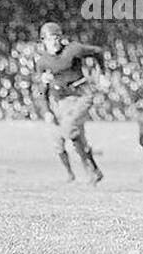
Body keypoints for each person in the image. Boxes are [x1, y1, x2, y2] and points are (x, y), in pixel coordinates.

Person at [34, 21, 104, 183]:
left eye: (56, 38)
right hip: (60, 101)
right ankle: (77, 173)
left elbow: (98, 51)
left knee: (70, 127)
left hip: (80, 95)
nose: (53, 42)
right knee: (60, 140)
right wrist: (46, 111)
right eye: (49, 39)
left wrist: (103, 73)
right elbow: (41, 91)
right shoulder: (43, 62)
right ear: (43, 41)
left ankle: (91, 169)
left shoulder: (73, 49)